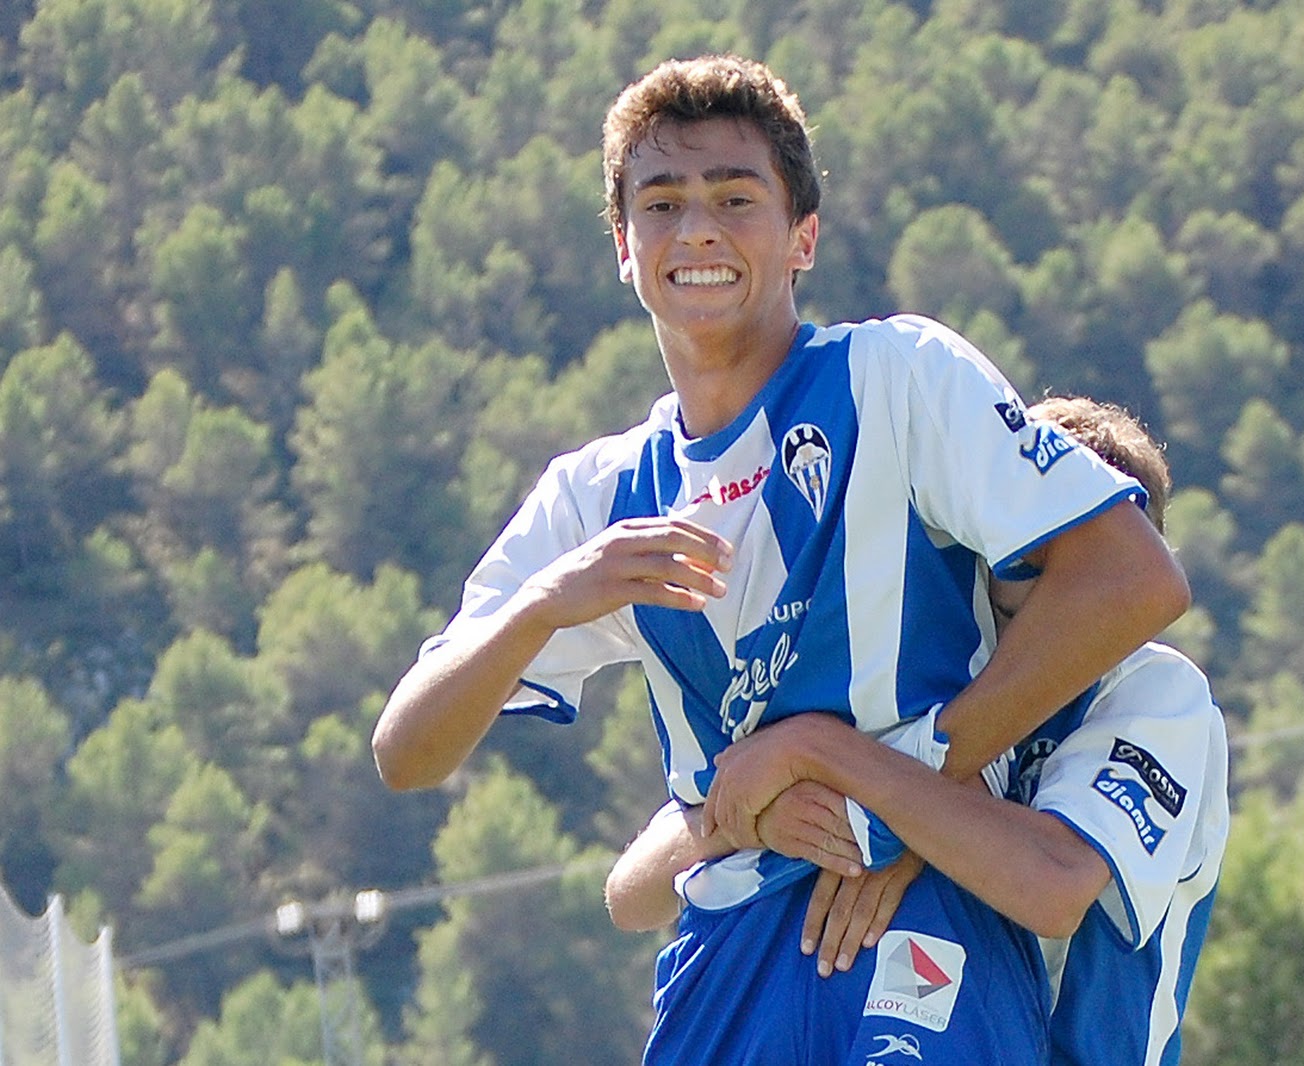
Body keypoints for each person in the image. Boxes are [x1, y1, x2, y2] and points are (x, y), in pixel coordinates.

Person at [372, 54, 1190, 1064]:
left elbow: (1133, 580)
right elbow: (406, 751)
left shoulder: (893, 376)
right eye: (662, 202)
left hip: (922, 922)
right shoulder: (595, 494)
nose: (698, 228)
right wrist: (550, 598)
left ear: (802, 235)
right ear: (624, 247)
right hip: (723, 957)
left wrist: (897, 792)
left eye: (735, 197)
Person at [607, 395, 1230, 1065]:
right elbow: (631, 894)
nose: (1047, 560)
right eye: (1027, 531)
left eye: (1090, 544)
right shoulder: (925, 663)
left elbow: (1052, 886)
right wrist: (751, 819)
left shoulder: (1156, 694)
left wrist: (857, 778)